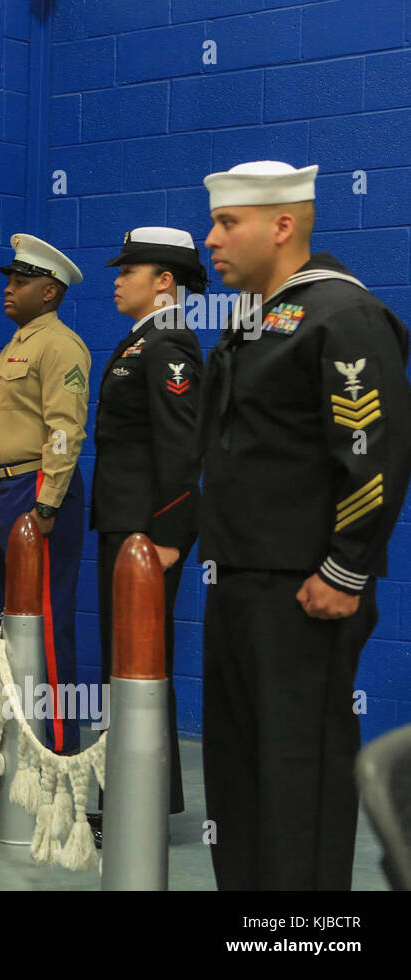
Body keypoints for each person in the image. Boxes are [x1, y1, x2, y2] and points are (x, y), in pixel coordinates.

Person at [199, 160, 411, 890]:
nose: (211, 239)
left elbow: (372, 453)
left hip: (304, 590)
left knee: (299, 780)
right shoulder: (262, 316)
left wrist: (345, 568)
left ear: (282, 226)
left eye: (227, 223)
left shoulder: (341, 316)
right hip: (239, 584)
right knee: (238, 774)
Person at [90, 227, 205, 843]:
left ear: (163, 280)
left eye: (129, 269)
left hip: (145, 535)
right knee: (127, 666)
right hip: (125, 526)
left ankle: (140, 803)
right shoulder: (141, 342)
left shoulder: (168, 347)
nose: (117, 278)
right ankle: (135, 799)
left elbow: (183, 448)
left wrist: (168, 537)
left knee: (140, 665)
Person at [0, 234, 90, 754]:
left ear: (49, 292)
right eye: (9, 279)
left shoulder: (59, 345)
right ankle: (23, 742)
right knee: (14, 624)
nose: (9, 289)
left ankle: (57, 752)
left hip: (38, 490)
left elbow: (64, 430)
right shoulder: (18, 344)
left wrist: (46, 503)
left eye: (20, 282)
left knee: (47, 625)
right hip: (6, 491)